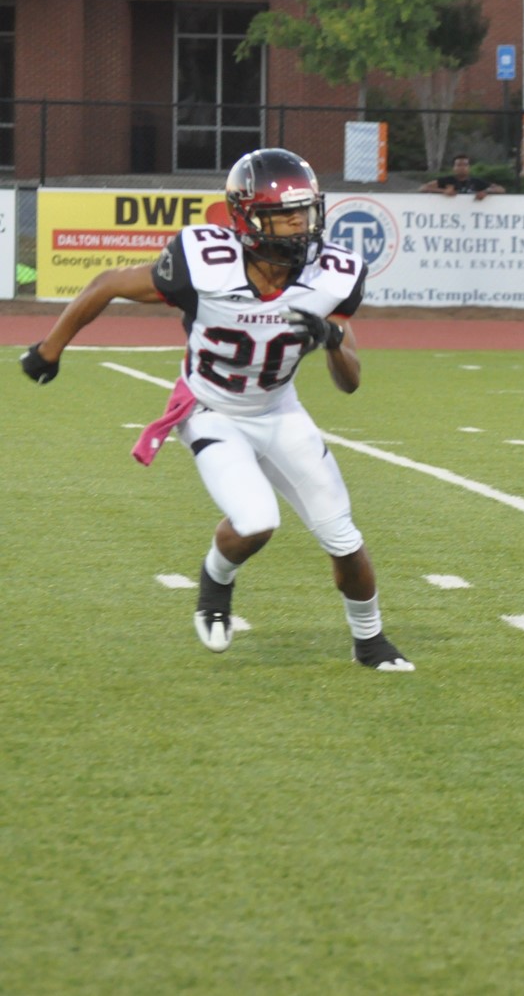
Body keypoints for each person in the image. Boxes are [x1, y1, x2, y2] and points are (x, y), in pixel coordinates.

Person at [18, 148, 413, 672]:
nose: (300, 227)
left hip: (279, 410)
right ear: (245, 218)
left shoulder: (334, 274)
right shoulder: (202, 261)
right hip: (210, 408)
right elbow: (107, 283)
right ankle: (216, 580)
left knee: (342, 535)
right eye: (284, 215)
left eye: (306, 212)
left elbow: (350, 382)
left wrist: (333, 338)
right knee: (255, 521)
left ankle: (370, 642)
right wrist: (51, 347)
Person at [419, 153, 506, 200]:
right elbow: (423, 188)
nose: (462, 167)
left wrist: (486, 192)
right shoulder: (446, 180)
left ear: (469, 167)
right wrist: (443, 191)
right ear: (453, 168)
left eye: (465, 165)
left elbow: (501, 189)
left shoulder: (476, 182)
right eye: (459, 165)